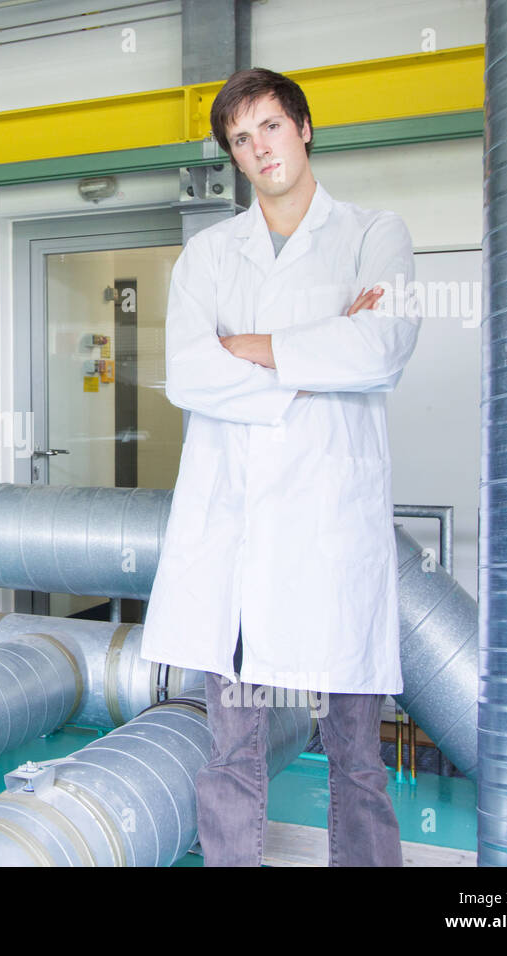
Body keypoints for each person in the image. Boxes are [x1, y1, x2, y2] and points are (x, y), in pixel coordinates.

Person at [140, 68, 421, 866]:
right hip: (238, 540)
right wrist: (323, 351)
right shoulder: (208, 254)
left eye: (269, 126)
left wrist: (255, 348)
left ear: (303, 128)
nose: (258, 148)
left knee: (357, 756)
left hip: (333, 535)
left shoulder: (373, 234)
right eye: (240, 138)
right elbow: (189, 375)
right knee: (231, 753)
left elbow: (383, 348)